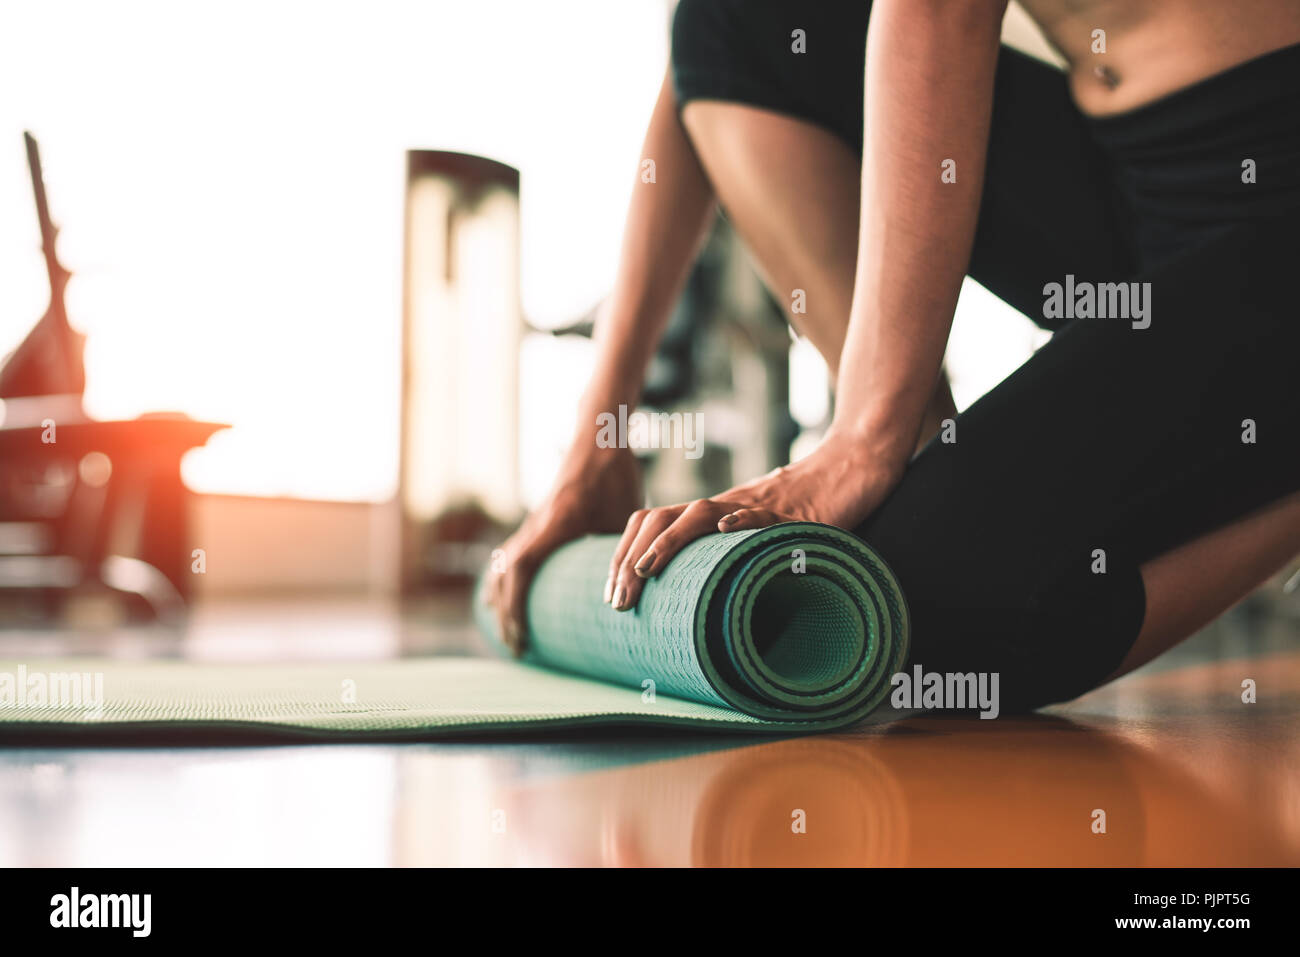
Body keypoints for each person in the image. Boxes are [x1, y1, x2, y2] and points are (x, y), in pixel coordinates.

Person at [487, 0, 1300, 711]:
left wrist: (859, 443)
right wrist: (598, 443)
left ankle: (897, 471)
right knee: (735, 21)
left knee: (919, 615)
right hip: (1133, 176)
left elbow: (942, 10)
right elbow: (708, 58)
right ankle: (918, 462)